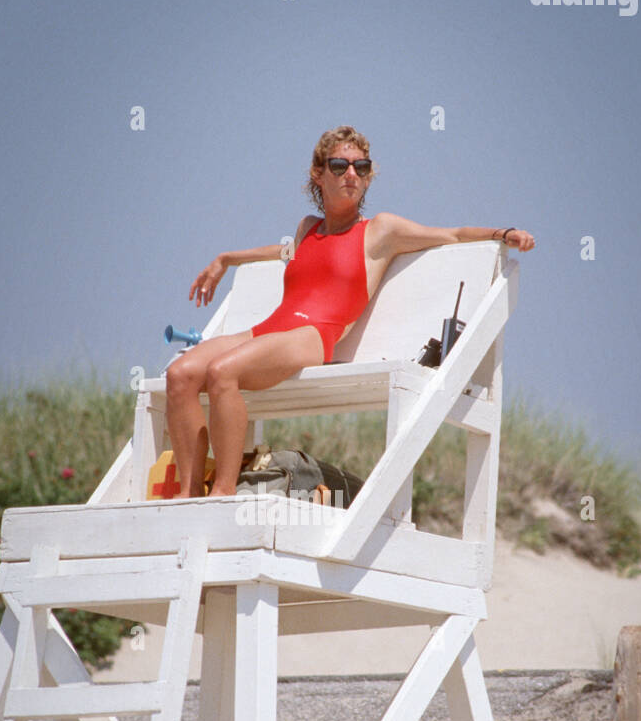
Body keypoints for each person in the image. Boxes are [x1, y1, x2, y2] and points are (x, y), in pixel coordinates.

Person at [165, 125, 535, 498]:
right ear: (318, 174)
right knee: (180, 375)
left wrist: (503, 234)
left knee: (221, 372)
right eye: (340, 166)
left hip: (312, 336)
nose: (351, 175)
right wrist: (226, 259)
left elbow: (451, 235)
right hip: (270, 328)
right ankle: (189, 492)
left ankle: (223, 493)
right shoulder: (307, 228)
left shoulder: (380, 231)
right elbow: (283, 252)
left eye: (361, 167)